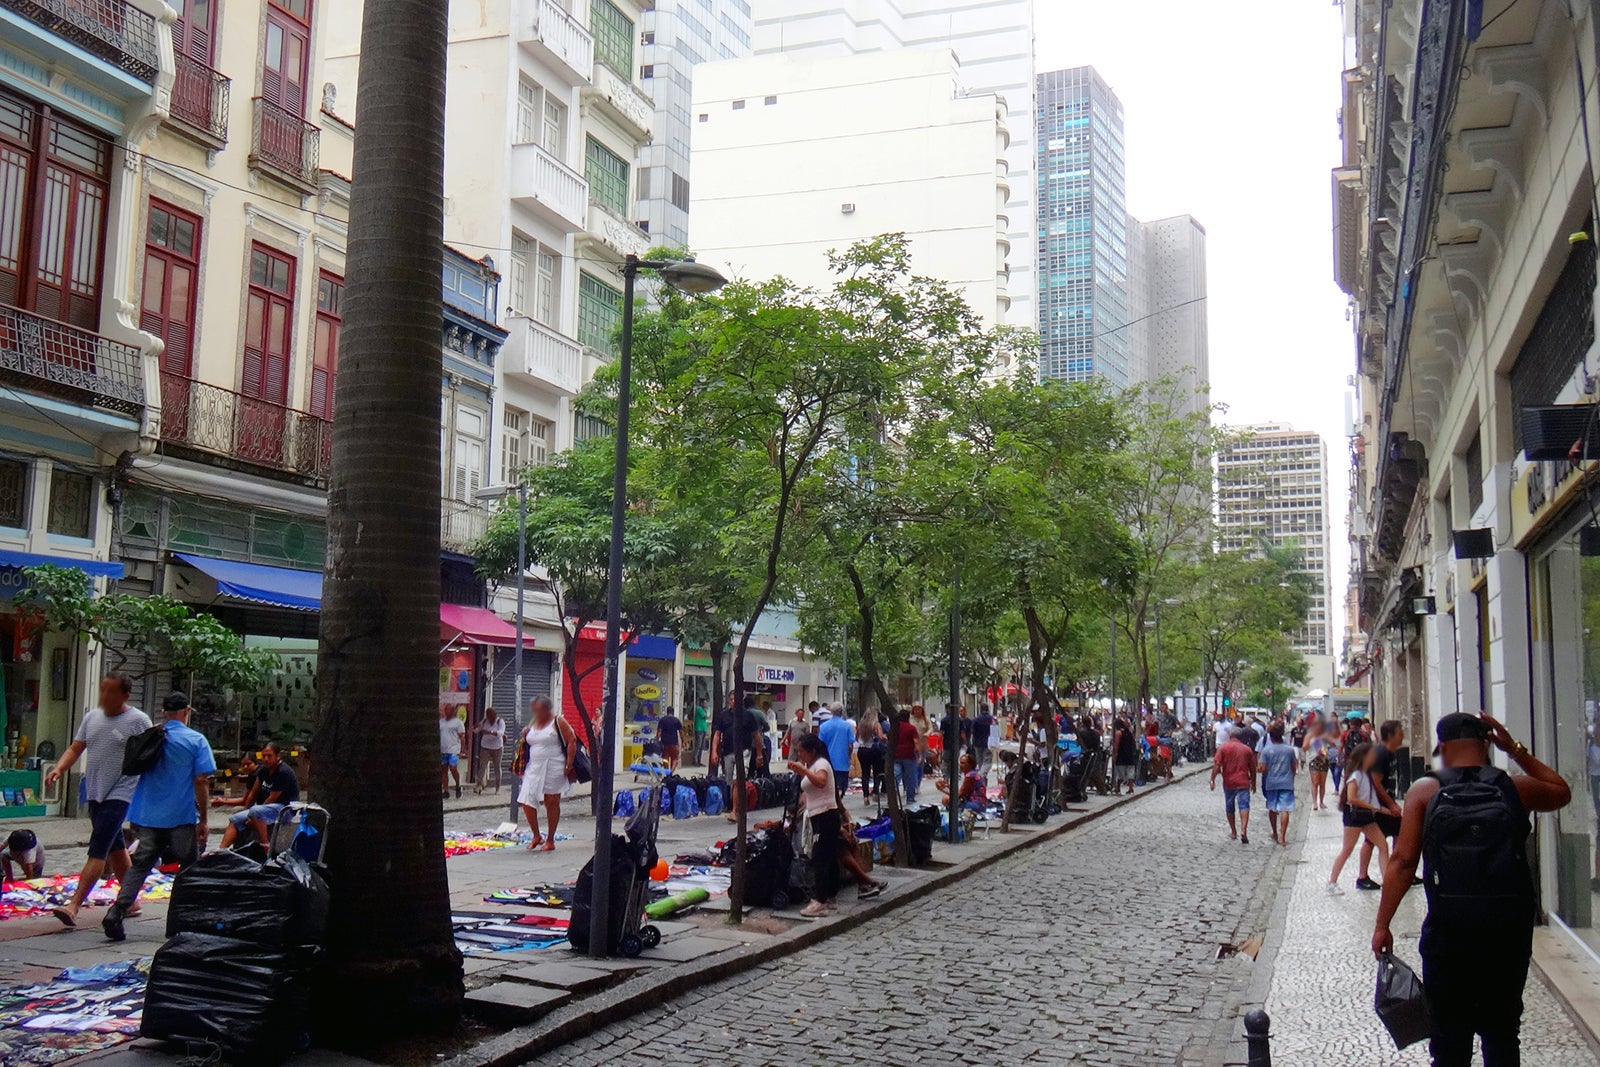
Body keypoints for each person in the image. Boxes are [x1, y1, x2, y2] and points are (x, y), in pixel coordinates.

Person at [1372, 713, 1571, 1065]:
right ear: (1486, 744)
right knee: (1502, 1035)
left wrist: (1382, 924)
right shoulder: (1515, 788)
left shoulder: (1423, 792)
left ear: (1444, 749)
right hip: (1505, 937)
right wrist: (1515, 749)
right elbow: (1561, 792)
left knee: (1449, 1041)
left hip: (1449, 936)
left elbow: (1403, 862)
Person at [102, 691, 215, 942]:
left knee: (141, 863)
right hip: (180, 814)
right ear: (186, 711)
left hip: (147, 812)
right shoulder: (195, 740)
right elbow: (201, 780)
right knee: (188, 866)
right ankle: (180, 918)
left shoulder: (152, 736)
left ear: (164, 711)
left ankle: (117, 910)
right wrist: (204, 818)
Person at [43, 674, 151, 928]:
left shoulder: (138, 721)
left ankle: (74, 905)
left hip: (121, 792)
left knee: (98, 848)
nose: (104, 696)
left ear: (125, 695)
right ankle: (130, 900)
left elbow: (152, 752)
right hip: (95, 792)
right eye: (103, 690)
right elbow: (75, 748)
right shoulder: (92, 717)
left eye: (111, 691)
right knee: (115, 847)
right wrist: (59, 769)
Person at [787, 735, 883, 918]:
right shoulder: (813, 765)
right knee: (829, 857)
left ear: (812, 751)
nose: (800, 755)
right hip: (818, 815)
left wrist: (803, 772)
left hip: (825, 815)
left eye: (802, 751)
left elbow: (821, 782)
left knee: (820, 857)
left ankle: (820, 899)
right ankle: (830, 896)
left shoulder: (821, 764)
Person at [1327, 742, 1396, 893]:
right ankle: (1332, 882)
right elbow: (1351, 798)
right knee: (1347, 849)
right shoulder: (1356, 775)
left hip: (1366, 817)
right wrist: (1375, 808)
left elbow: (1371, 800)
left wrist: (1387, 811)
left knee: (1383, 845)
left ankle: (1388, 881)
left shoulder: (1367, 775)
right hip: (1354, 817)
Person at [514, 697, 576, 851]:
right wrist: (526, 734)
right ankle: (536, 835)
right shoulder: (534, 722)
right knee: (526, 799)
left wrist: (569, 763)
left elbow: (572, 740)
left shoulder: (558, 721)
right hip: (533, 767)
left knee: (552, 801)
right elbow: (530, 740)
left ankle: (550, 839)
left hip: (553, 766)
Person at [214, 741, 299, 849]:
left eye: (269, 756)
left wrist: (252, 814)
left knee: (256, 811)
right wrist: (246, 810)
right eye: (264, 756)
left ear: (277, 756)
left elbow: (273, 798)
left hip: (285, 809)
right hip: (267, 808)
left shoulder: (284, 772)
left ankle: (265, 845)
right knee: (235, 819)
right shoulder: (263, 771)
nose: (266, 759)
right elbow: (252, 794)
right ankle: (221, 850)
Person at [1356, 719, 1406, 890]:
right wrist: (1390, 805)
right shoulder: (1381, 753)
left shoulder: (1390, 752)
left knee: (1398, 833)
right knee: (1372, 840)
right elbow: (1376, 783)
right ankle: (1363, 876)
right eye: (1400, 732)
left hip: (1385, 803)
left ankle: (1397, 872)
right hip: (1378, 806)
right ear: (1391, 735)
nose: (1403, 735)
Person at [1210, 726, 1257, 844]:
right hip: (1243, 782)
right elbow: (1253, 768)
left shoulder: (1223, 748)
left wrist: (1212, 779)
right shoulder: (1247, 749)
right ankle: (1244, 830)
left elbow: (1217, 764)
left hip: (1229, 782)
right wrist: (1254, 783)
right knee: (1244, 806)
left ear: (1230, 736)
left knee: (1229, 806)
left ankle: (1233, 831)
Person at [1258, 723, 1299, 847]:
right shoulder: (1289, 750)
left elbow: (1263, 768)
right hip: (1286, 783)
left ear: (1271, 737)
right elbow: (1294, 767)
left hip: (1271, 782)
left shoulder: (1266, 750)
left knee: (1272, 808)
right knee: (1285, 809)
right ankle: (1283, 836)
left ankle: (1275, 832)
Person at [818, 705, 855, 801]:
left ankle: (832, 803)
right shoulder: (846, 726)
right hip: (843, 761)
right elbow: (850, 745)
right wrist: (849, 756)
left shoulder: (823, 726)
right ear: (842, 712)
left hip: (828, 761)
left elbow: (820, 744)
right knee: (841, 787)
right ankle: (838, 803)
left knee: (829, 786)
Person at [891, 708, 922, 803]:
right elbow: (916, 742)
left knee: (896, 776)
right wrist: (920, 755)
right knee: (910, 777)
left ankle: (892, 796)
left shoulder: (894, 728)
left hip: (896, 755)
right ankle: (910, 798)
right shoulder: (911, 728)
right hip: (909, 755)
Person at [855, 708, 886, 804]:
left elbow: (856, 737)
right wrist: (886, 738)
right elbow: (881, 736)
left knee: (865, 773)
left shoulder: (860, 724)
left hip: (862, 750)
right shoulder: (876, 724)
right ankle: (875, 793)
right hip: (873, 749)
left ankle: (865, 796)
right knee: (877, 772)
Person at [473, 707, 506, 794]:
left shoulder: (500, 722)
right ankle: (479, 786)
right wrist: (475, 726)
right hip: (485, 747)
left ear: (494, 716)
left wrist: (489, 732)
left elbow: (500, 733)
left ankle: (497, 788)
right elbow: (476, 730)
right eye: (488, 716)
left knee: (497, 767)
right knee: (482, 767)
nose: (489, 719)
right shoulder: (484, 721)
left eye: (491, 716)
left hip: (497, 748)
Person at [1303, 719, 1332, 811]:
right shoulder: (1310, 736)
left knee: (1322, 783)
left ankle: (1321, 802)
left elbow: (1332, 744)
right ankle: (1314, 802)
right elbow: (1304, 747)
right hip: (1314, 759)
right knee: (1315, 782)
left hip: (1324, 760)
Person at [440, 706, 466, 799]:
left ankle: (458, 785)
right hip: (443, 750)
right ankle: (446, 790)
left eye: (449, 710)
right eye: (446, 709)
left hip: (453, 750)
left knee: (453, 768)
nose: (447, 711)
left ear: (453, 711)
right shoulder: (441, 722)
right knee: (443, 770)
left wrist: (462, 750)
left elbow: (462, 737)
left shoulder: (458, 722)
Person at [1111, 715, 1137, 795]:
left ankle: (1117, 787)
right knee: (1130, 771)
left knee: (1120, 772)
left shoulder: (1119, 733)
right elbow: (1133, 742)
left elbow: (1116, 745)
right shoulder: (1129, 731)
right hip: (1130, 754)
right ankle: (1130, 788)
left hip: (1122, 754)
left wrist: (1114, 754)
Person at [972, 703, 995, 777]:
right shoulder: (992, 719)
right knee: (987, 760)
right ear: (987, 709)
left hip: (977, 743)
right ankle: (982, 775)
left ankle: (982, 777)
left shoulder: (976, 719)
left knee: (980, 761)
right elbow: (996, 730)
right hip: (989, 743)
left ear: (980, 709)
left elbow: (972, 730)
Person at [657, 706, 683, 771]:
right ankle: (671, 772)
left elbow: (659, 731)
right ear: (673, 712)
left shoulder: (662, 720)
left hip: (664, 743)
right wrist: (683, 741)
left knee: (665, 758)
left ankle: (666, 772)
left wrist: (657, 740)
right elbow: (681, 732)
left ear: (667, 712)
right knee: (675, 759)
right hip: (674, 743)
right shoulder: (676, 720)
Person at [692, 701, 709, 766]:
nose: (705, 704)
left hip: (703, 729)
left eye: (706, 703)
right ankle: (695, 760)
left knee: (702, 746)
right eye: (704, 703)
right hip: (699, 729)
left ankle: (699, 760)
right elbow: (705, 716)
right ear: (701, 703)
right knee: (698, 745)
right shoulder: (699, 709)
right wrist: (706, 710)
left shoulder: (703, 710)